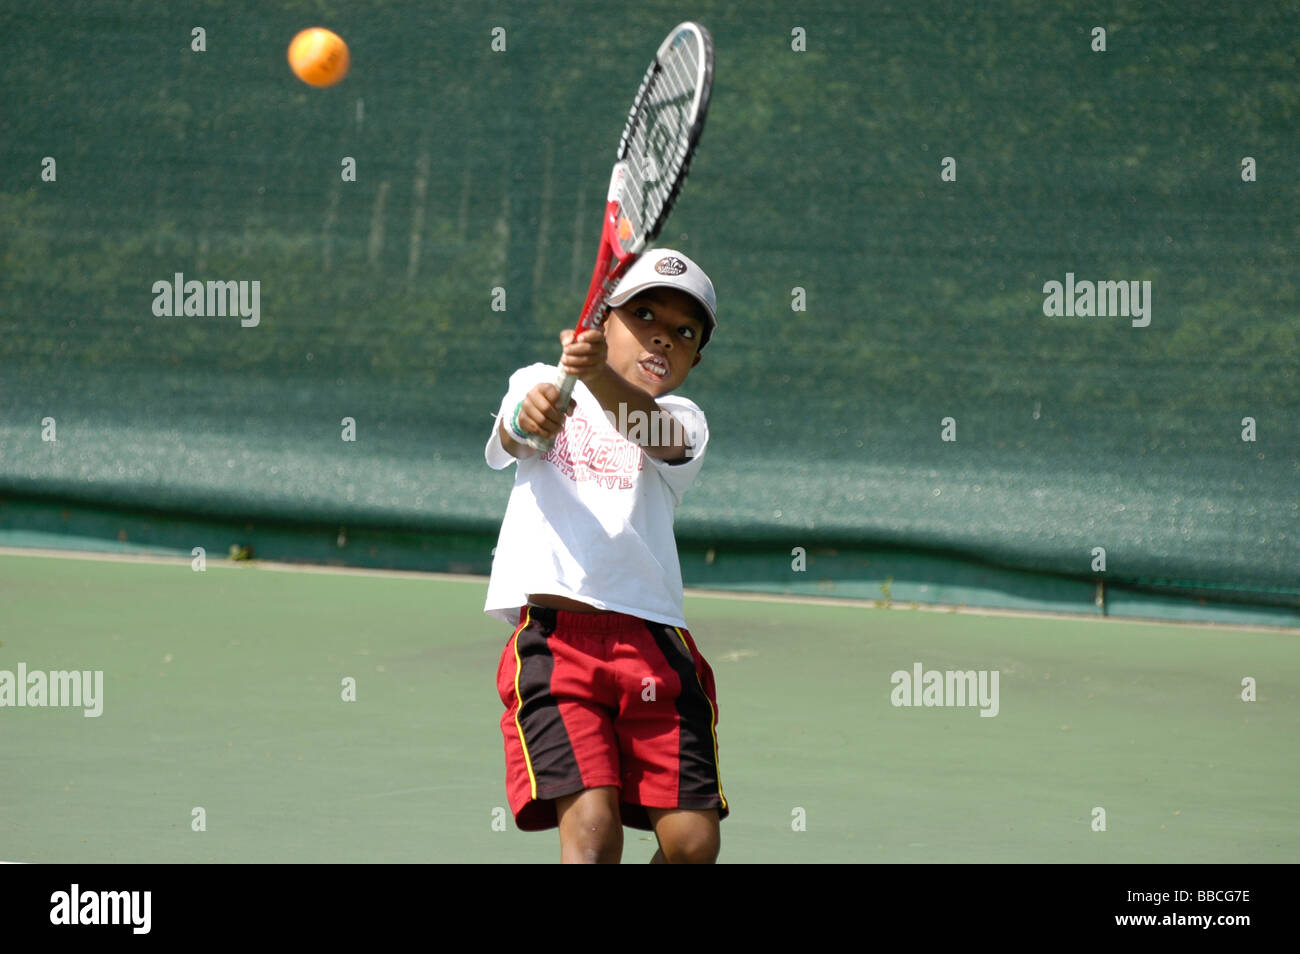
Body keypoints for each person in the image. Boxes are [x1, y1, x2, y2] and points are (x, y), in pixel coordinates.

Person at [484, 249, 727, 863]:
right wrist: (531, 413)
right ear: (603, 322)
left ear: (695, 359)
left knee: (693, 846)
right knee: (594, 835)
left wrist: (593, 376)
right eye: (643, 314)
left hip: (655, 650)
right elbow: (517, 431)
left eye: (683, 332)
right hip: (557, 646)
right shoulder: (537, 378)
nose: (662, 338)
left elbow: (654, 435)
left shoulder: (682, 420)